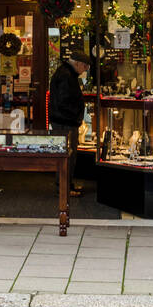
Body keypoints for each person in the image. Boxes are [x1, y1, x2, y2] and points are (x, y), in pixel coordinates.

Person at [49, 50, 90, 197]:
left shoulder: (66, 73)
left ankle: (67, 185)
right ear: (78, 64)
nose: (85, 70)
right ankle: (64, 188)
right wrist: (76, 116)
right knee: (67, 156)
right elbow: (64, 101)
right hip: (65, 123)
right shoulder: (66, 76)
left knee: (67, 155)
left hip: (64, 121)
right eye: (85, 66)